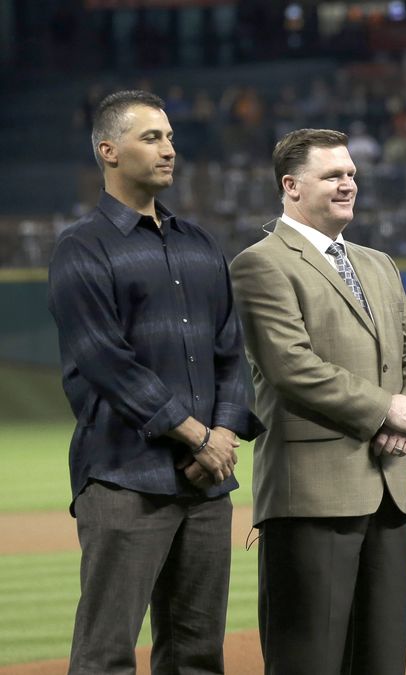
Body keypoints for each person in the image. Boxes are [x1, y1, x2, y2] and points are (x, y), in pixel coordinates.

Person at [47, 89, 263, 673]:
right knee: (106, 654)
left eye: (169, 137)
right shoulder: (81, 247)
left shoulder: (200, 243)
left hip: (205, 484)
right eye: (151, 137)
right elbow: (107, 362)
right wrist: (198, 437)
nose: (169, 149)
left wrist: (222, 435)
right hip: (124, 477)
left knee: (197, 656)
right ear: (108, 151)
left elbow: (230, 353)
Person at [229, 129, 406, 674]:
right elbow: (291, 366)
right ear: (291, 186)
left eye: (351, 174)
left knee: (382, 659)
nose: (348, 184)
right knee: (310, 661)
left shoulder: (378, 263)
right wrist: (384, 410)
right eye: (332, 175)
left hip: (388, 491)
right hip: (311, 495)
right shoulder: (261, 263)